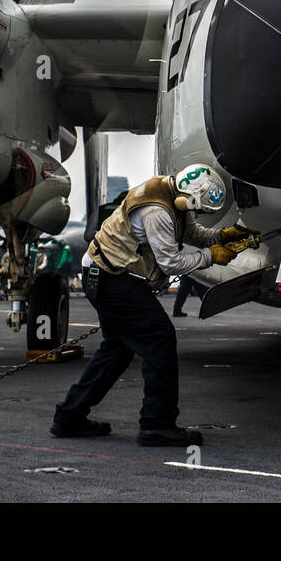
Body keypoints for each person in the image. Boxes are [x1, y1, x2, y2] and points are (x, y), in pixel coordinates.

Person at [51, 165, 256, 446]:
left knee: (116, 350)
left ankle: (69, 416)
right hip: (114, 279)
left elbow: (192, 233)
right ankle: (156, 425)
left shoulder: (171, 192)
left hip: (103, 274)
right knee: (159, 339)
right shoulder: (157, 212)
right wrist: (211, 257)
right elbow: (170, 262)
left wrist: (222, 236)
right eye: (198, 208)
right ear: (189, 198)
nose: (196, 214)